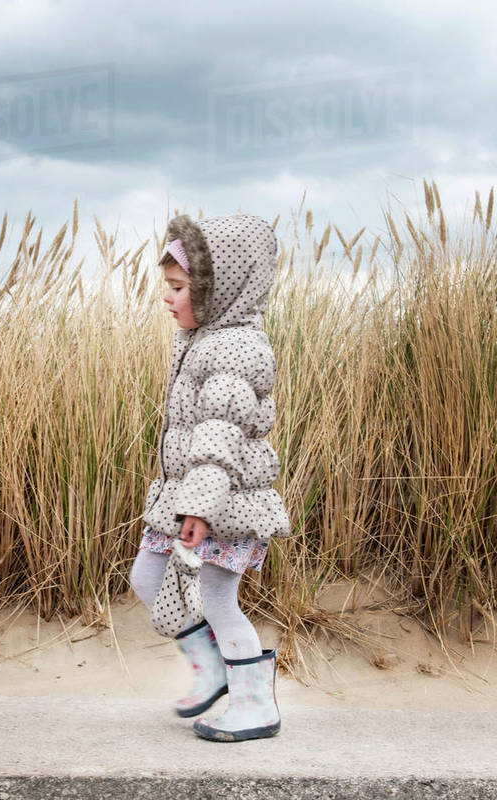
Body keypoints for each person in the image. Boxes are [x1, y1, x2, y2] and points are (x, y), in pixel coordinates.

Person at [131, 213, 291, 742]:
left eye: (178, 288)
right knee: (146, 579)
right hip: (186, 499)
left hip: (224, 505)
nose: (167, 298)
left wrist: (197, 506)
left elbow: (219, 435)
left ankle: (253, 704)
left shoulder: (237, 349)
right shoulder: (199, 339)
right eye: (168, 287)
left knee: (219, 600)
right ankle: (214, 668)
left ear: (218, 290)